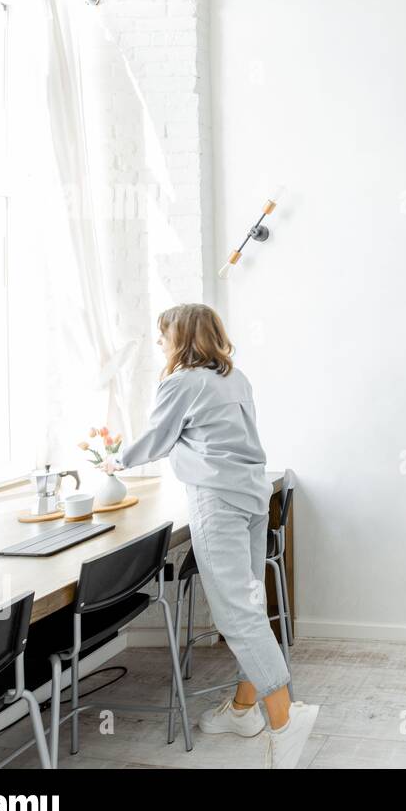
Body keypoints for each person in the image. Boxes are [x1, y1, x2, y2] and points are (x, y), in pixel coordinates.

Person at [117, 303, 317, 768]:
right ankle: (245, 709)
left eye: (164, 336)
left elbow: (156, 439)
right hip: (251, 498)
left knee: (236, 616)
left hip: (217, 501)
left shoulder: (181, 381)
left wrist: (114, 461)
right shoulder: (234, 378)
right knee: (249, 609)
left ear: (182, 338)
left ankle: (285, 720)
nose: (160, 344)